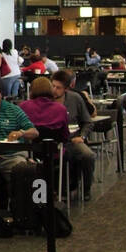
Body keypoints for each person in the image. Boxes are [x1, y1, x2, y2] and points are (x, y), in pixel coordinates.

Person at [0, 77, 36, 208]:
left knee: (21, 172)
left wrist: (21, 133)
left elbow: (34, 131)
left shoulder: (13, 110)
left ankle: (18, 212)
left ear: (1, 93)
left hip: (12, 155)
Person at [51, 69, 96, 199]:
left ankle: (86, 189)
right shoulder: (46, 100)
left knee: (88, 155)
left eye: (58, 88)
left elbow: (88, 121)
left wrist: (82, 136)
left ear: (65, 89)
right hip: (55, 142)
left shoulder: (75, 98)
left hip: (73, 139)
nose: (54, 90)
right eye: (53, 86)